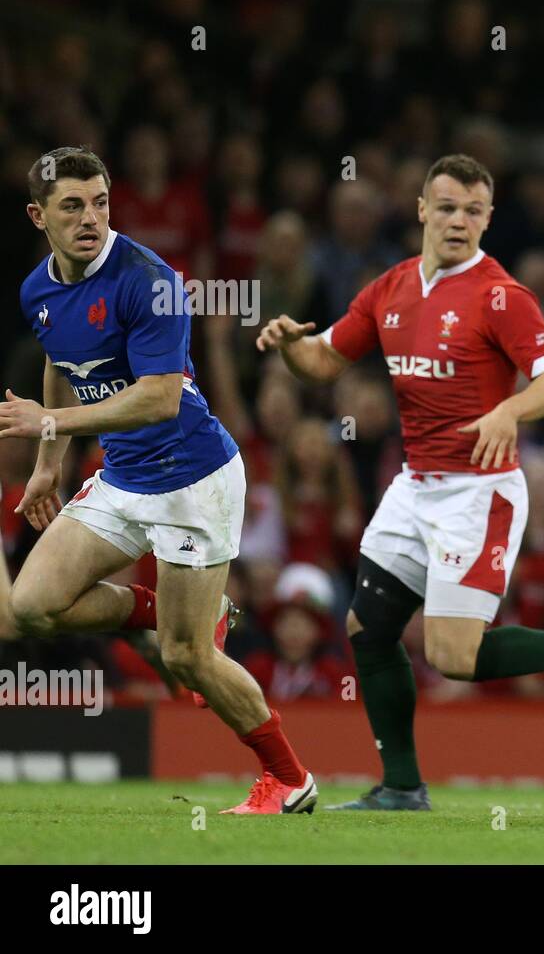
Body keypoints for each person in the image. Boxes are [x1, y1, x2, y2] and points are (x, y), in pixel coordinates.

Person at [256, 154, 544, 811]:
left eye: (473, 211)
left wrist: (507, 409)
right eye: (446, 208)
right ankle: (403, 787)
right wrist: (289, 344)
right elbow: (325, 361)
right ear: (420, 210)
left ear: (488, 219)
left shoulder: (500, 295)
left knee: (452, 656)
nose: (458, 221)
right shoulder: (388, 289)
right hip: (416, 486)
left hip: (481, 493)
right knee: (368, 628)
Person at [2, 145, 316, 814]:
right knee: (30, 607)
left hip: (192, 479)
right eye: (72, 206)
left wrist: (49, 422)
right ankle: (179, 611)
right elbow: (62, 360)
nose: (91, 217)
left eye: (101, 202)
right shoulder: (38, 290)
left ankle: (288, 778)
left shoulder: (150, 280)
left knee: (185, 659)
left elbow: (160, 398)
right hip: (122, 476)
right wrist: (48, 465)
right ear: (38, 215)